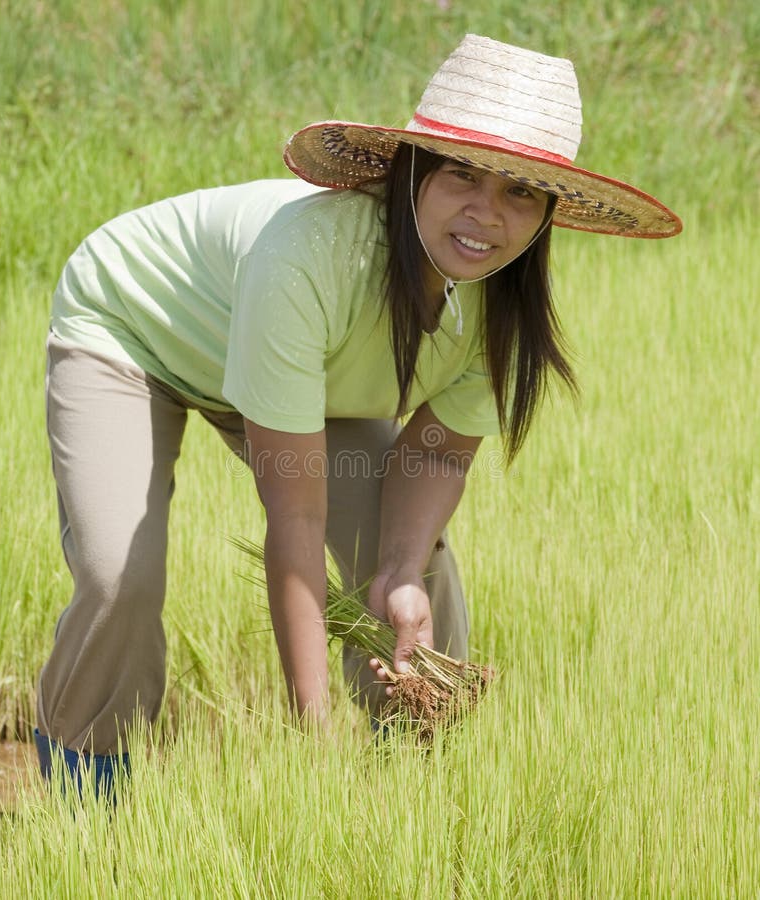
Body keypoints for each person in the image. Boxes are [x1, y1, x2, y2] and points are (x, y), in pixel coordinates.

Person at [34, 34, 681, 794]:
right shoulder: (309, 260)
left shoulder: (497, 301)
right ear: (411, 172)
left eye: (519, 193)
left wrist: (399, 567)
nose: (486, 215)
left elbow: (437, 454)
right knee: (120, 576)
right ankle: (85, 800)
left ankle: (410, 783)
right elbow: (296, 520)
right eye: (462, 176)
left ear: (544, 216)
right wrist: (311, 737)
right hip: (138, 330)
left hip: (305, 376)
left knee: (419, 571)